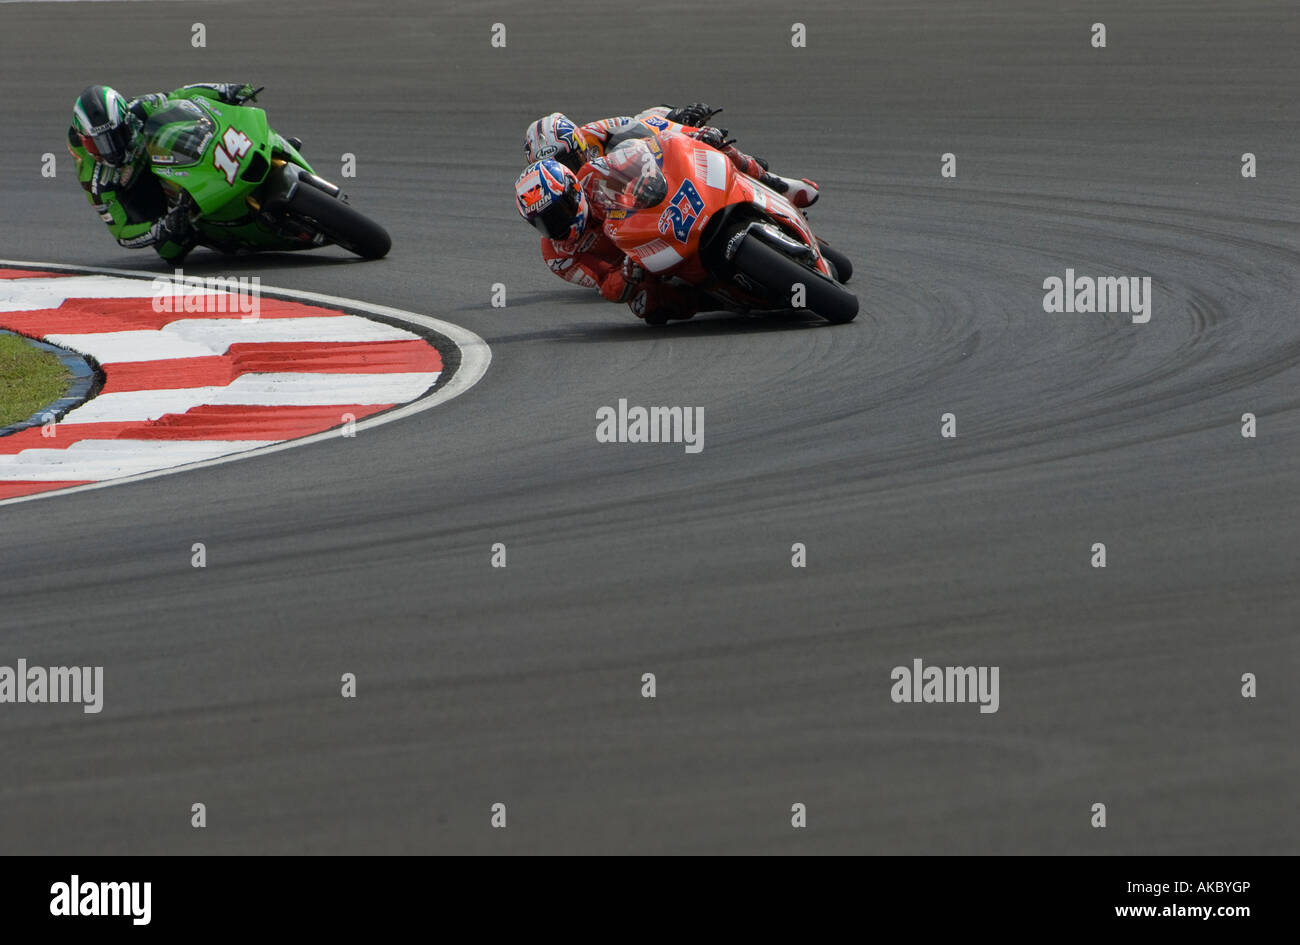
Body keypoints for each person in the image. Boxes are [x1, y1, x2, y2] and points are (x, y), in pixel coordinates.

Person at [67, 82, 265, 262]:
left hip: (158, 157)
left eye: (117, 136)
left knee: (177, 120)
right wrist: (162, 227)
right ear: (83, 138)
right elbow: (122, 233)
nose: (111, 150)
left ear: (126, 121)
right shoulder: (95, 179)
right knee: (171, 250)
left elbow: (180, 96)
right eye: (97, 143)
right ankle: (216, 232)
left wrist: (225, 91)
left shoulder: (137, 108)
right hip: (139, 192)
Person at [515, 155, 711, 325]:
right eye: (544, 222)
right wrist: (624, 276)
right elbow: (604, 285)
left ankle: (739, 165)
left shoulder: (594, 174)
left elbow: (645, 153)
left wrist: (648, 177)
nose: (557, 224)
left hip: (661, 221)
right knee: (643, 304)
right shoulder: (557, 256)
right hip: (639, 267)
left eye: (559, 213)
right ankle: (711, 302)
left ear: (573, 190)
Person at [523, 104, 820, 209]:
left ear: (578, 144)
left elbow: (649, 125)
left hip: (653, 172)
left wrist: (688, 129)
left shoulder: (594, 133)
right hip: (625, 213)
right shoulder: (554, 196)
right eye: (549, 166)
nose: (561, 170)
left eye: (564, 161)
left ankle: (774, 182)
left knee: (654, 115)